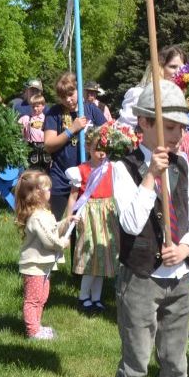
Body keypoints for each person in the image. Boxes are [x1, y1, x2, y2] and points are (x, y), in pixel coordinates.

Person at [112, 79, 189, 377]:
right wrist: (151, 177)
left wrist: (185, 248)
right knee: (136, 359)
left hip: (178, 280)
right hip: (139, 278)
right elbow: (130, 221)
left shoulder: (183, 164)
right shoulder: (122, 169)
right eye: (169, 127)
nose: (176, 135)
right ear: (144, 123)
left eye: (180, 128)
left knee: (175, 358)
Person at [65, 128, 119, 314]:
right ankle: (83, 296)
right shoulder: (82, 170)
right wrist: (68, 217)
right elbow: (73, 196)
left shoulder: (111, 168)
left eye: (104, 148)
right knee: (90, 256)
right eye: (97, 148)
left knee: (102, 256)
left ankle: (96, 298)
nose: (101, 152)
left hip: (107, 214)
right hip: (89, 215)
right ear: (88, 147)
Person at [13, 170, 72, 340]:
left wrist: (66, 223)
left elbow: (52, 229)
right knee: (33, 299)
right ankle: (33, 331)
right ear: (36, 193)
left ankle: (37, 326)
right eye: (47, 189)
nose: (50, 192)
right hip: (34, 266)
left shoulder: (44, 213)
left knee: (42, 297)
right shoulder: (37, 217)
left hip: (42, 265)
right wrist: (63, 244)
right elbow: (48, 239)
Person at [43, 73, 103, 219]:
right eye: (63, 97)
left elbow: (107, 134)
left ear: (78, 90)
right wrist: (72, 130)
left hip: (87, 175)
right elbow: (49, 145)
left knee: (81, 222)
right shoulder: (54, 113)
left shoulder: (91, 110)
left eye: (71, 94)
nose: (68, 100)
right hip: (61, 176)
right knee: (53, 221)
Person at [117, 45, 188, 129]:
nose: (178, 72)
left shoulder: (185, 99)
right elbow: (123, 131)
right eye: (173, 67)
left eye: (182, 68)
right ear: (160, 68)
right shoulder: (140, 94)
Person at [18, 91, 51, 172]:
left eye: (38, 106)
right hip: (32, 147)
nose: (35, 108)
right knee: (32, 171)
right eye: (33, 107)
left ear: (43, 106)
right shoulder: (26, 118)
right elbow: (18, 130)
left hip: (45, 148)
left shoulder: (47, 119)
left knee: (45, 171)